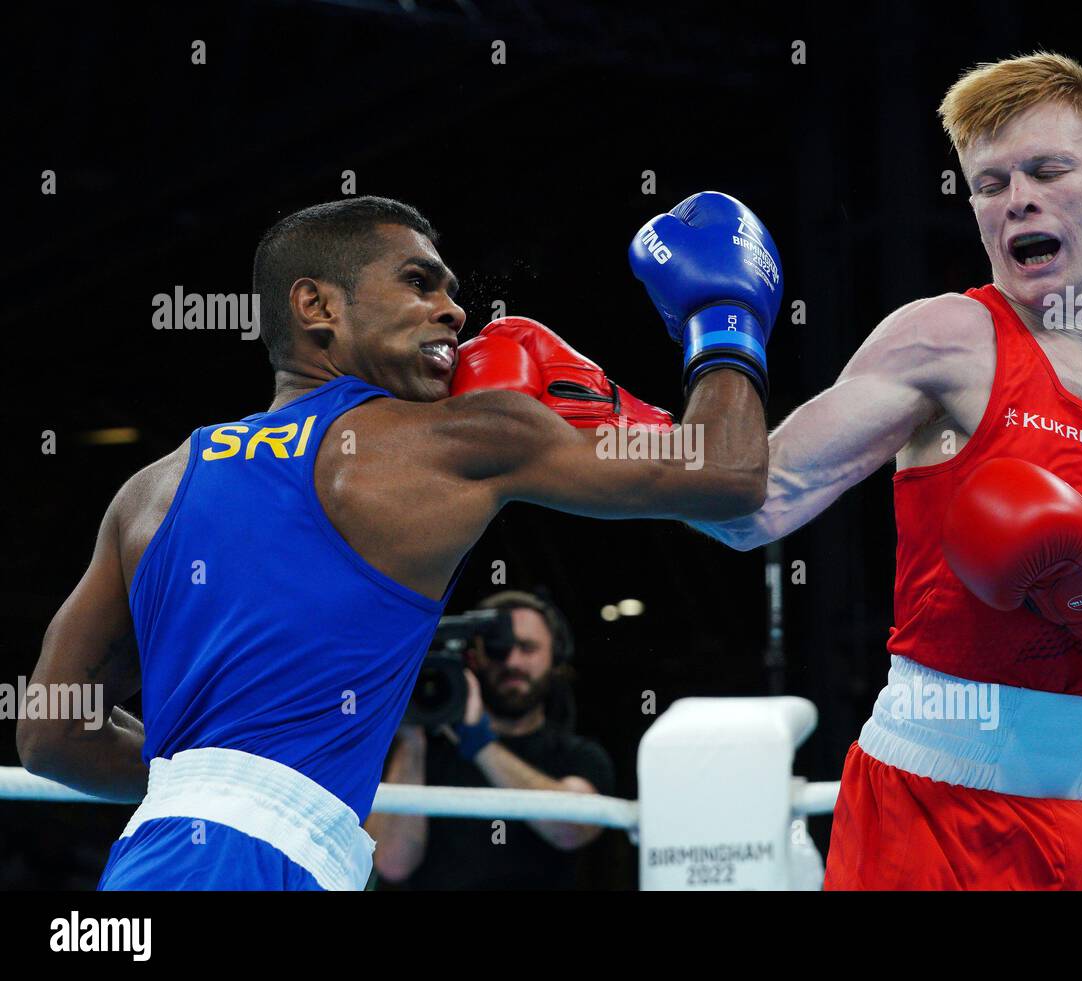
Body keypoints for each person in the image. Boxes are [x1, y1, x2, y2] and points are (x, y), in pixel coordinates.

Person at [16, 191, 782, 890]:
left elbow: (50, 730)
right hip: (255, 864)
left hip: (149, 860)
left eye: (452, 290)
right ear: (317, 305)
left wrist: (198, 787)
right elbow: (730, 473)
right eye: (421, 283)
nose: (453, 311)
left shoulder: (153, 487)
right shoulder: (464, 437)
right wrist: (723, 318)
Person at [693, 53, 1082, 889]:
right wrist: (722, 335)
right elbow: (748, 509)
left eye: (1047, 169)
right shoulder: (947, 340)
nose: (1016, 198)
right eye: (990, 184)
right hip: (924, 812)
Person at [369, 590, 614, 890]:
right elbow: (391, 864)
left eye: (527, 648)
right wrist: (413, 735)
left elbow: (572, 829)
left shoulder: (579, 755)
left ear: (555, 658)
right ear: (474, 658)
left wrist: (479, 743)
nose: (512, 661)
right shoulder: (423, 754)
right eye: (499, 649)